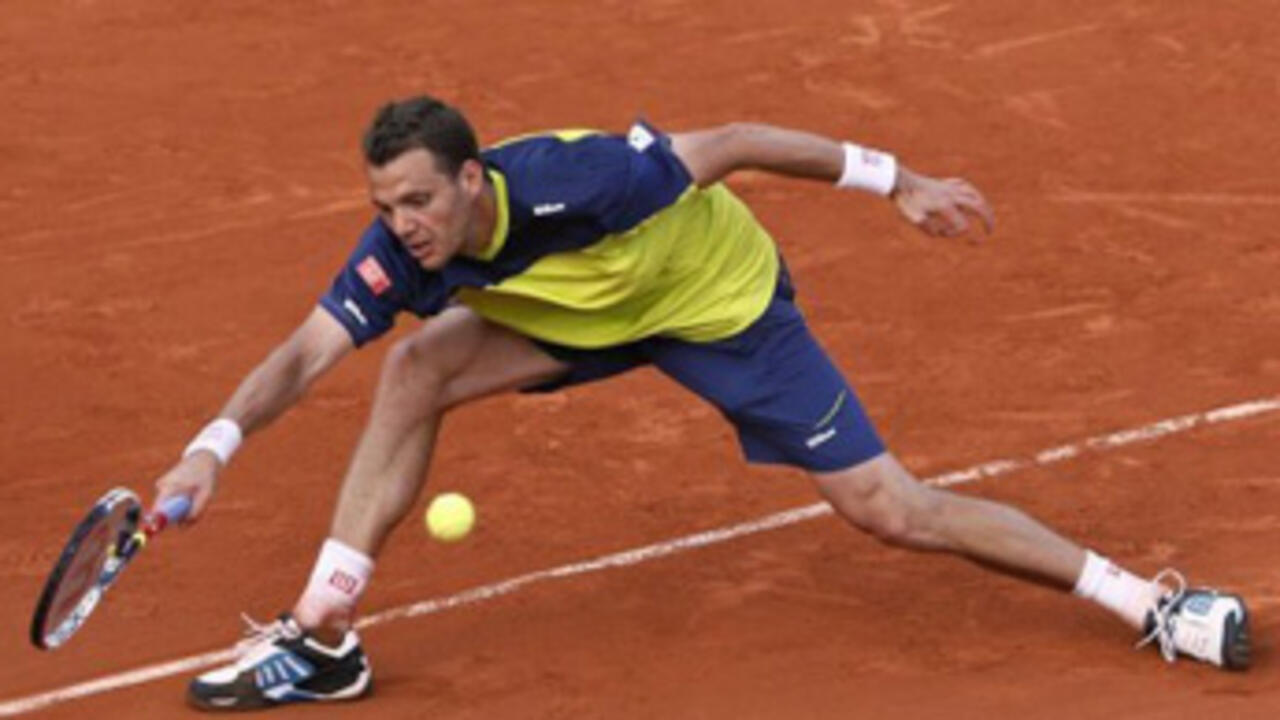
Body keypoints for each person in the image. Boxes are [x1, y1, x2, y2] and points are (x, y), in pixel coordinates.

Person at [155, 96, 1250, 712]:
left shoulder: (586, 182)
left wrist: (898, 178)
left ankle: (1147, 604)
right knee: (409, 368)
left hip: (717, 303)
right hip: (577, 315)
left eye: (418, 200)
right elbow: (305, 355)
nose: (400, 225)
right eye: (383, 207)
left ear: (474, 179)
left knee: (888, 509)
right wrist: (213, 446)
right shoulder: (403, 251)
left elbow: (734, 144)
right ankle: (322, 637)